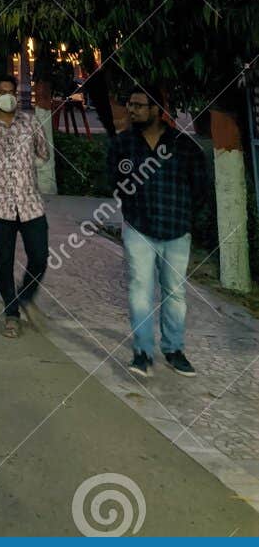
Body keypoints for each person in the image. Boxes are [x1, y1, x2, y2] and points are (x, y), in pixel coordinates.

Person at [109, 85, 208, 378]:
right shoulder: (123, 144)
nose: (132, 110)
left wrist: (187, 218)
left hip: (177, 230)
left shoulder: (184, 146)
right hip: (139, 228)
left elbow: (200, 188)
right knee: (140, 291)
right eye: (130, 104)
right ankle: (142, 353)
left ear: (156, 110)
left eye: (139, 105)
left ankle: (174, 349)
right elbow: (115, 180)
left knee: (175, 293)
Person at [0, 71, 50, 337]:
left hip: (31, 204)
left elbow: (44, 154)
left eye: (11, 92)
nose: (8, 97)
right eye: (2, 92)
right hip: (0, 205)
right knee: (4, 259)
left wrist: (28, 168)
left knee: (39, 256)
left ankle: (25, 296)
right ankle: (11, 313)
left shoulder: (30, 123)